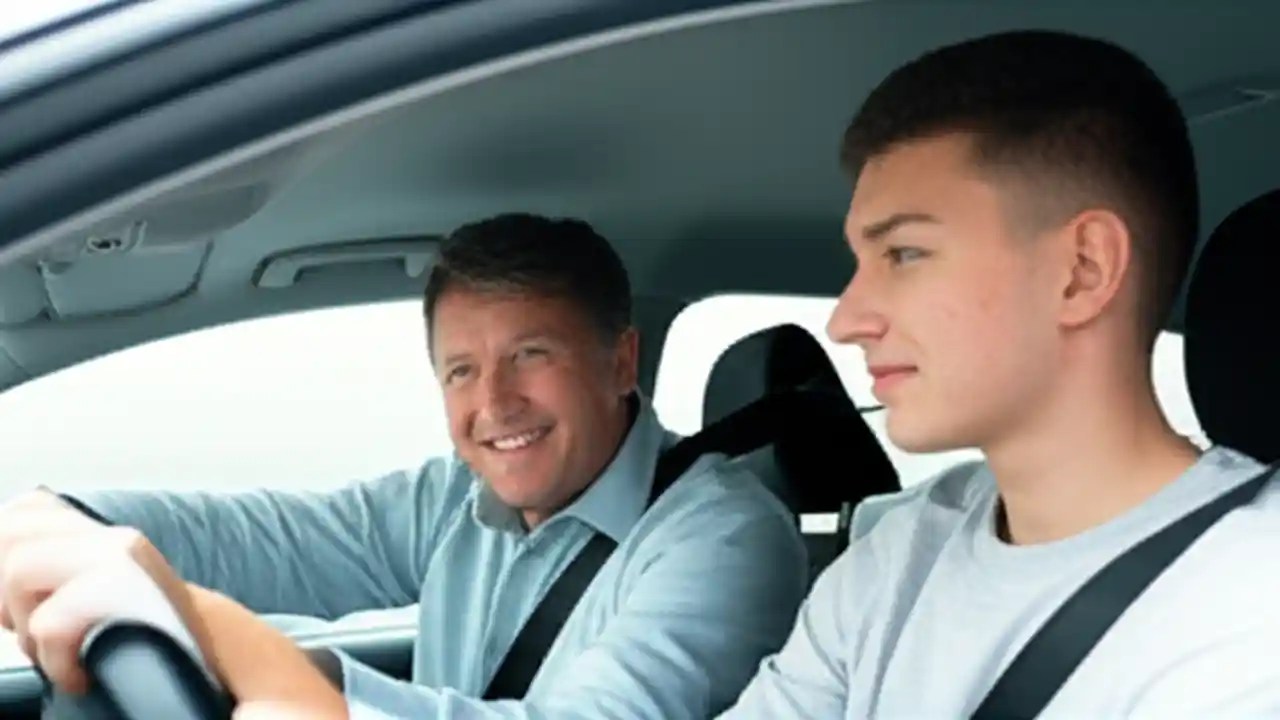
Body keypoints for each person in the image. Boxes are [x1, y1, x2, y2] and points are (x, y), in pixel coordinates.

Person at [0, 214, 808, 718]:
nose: (493, 401)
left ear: (620, 363)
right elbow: (279, 540)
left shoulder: (724, 538)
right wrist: (73, 520)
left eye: (531, 356)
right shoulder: (460, 499)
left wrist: (279, 676)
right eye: (461, 370)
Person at [719, 29, 1279, 718]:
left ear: (1083, 271)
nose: (846, 319)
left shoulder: (1252, 609)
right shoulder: (897, 558)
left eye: (905, 253)